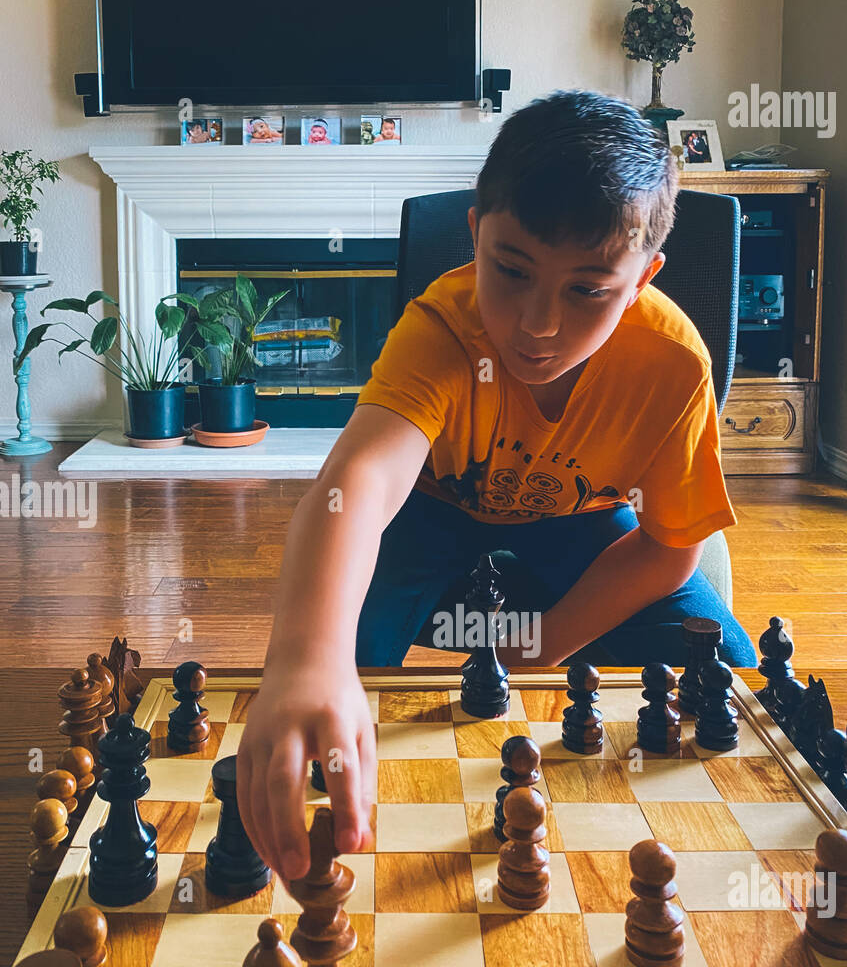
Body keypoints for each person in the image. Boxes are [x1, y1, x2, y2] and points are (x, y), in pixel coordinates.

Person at [238, 89, 756, 881]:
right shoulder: (441, 327)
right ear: (475, 234)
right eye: (510, 271)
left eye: (588, 289)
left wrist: (545, 644)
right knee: (334, 669)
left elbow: (669, 548)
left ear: (644, 275)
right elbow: (358, 486)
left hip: (586, 525)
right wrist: (306, 659)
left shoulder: (672, 361)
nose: (537, 324)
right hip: (429, 514)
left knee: (734, 686)